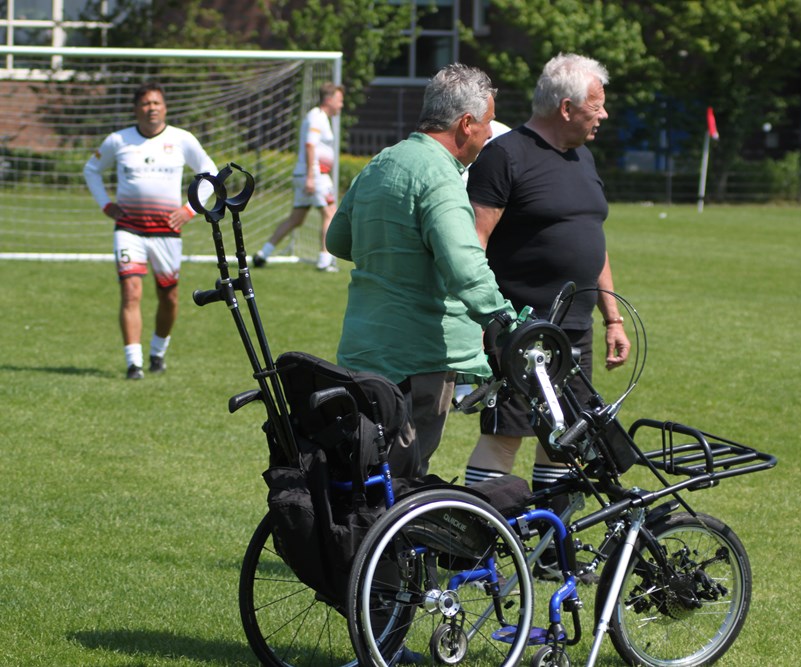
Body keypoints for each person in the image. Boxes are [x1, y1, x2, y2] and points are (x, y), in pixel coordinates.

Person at [461, 53, 631, 577]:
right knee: (505, 435)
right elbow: (473, 243)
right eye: (596, 107)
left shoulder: (584, 159)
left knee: (564, 441)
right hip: (520, 331)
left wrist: (612, 316)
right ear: (566, 107)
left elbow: (591, 240)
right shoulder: (505, 156)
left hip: (572, 332)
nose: (603, 116)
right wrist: (493, 324)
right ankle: (476, 542)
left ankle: (545, 553)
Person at [327, 63, 516, 477]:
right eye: (486, 124)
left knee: (367, 477)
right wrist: (505, 320)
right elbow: (465, 267)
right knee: (402, 478)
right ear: (466, 124)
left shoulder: (381, 161)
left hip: (362, 347)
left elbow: (337, 241)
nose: (489, 134)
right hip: (416, 358)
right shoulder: (440, 176)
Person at [84, 81, 217, 380]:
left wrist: (190, 209)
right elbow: (91, 170)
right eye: (145, 103)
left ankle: (158, 351)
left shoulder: (182, 140)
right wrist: (106, 204)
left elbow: (211, 173)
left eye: (156, 103)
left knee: (168, 296)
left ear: (165, 107)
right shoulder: (118, 140)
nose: (151, 108)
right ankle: (134, 364)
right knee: (131, 291)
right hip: (128, 229)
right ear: (136, 109)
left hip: (167, 231)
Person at [254, 82, 345, 272]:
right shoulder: (316, 118)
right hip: (315, 175)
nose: (341, 105)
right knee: (330, 214)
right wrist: (312, 176)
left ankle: (263, 253)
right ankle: (324, 261)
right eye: (339, 100)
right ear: (328, 100)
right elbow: (310, 145)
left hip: (309, 174)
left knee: (296, 218)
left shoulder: (321, 118)